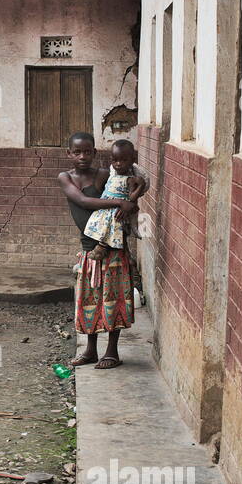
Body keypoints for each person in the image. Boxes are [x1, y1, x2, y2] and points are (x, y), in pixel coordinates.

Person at [57, 132, 139, 370]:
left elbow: (129, 193)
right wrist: (118, 203)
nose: (83, 156)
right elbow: (82, 201)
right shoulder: (65, 177)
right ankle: (90, 350)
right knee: (89, 300)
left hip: (113, 246)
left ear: (94, 152)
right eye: (77, 152)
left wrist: (129, 201)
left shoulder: (105, 174)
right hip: (88, 248)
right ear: (69, 154)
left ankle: (111, 351)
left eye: (88, 151)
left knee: (113, 299)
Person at [82, 139, 149, 265]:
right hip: (108, 205)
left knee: (113, 224)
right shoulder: (112, 174)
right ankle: (124, 254)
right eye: (115, 160)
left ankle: (102, 247)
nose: (118, 164)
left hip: (118, 210)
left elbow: (132, 198)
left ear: (132, 160)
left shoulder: (130, 180)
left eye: (124, 160)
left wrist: (140, 185)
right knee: (101, 222)